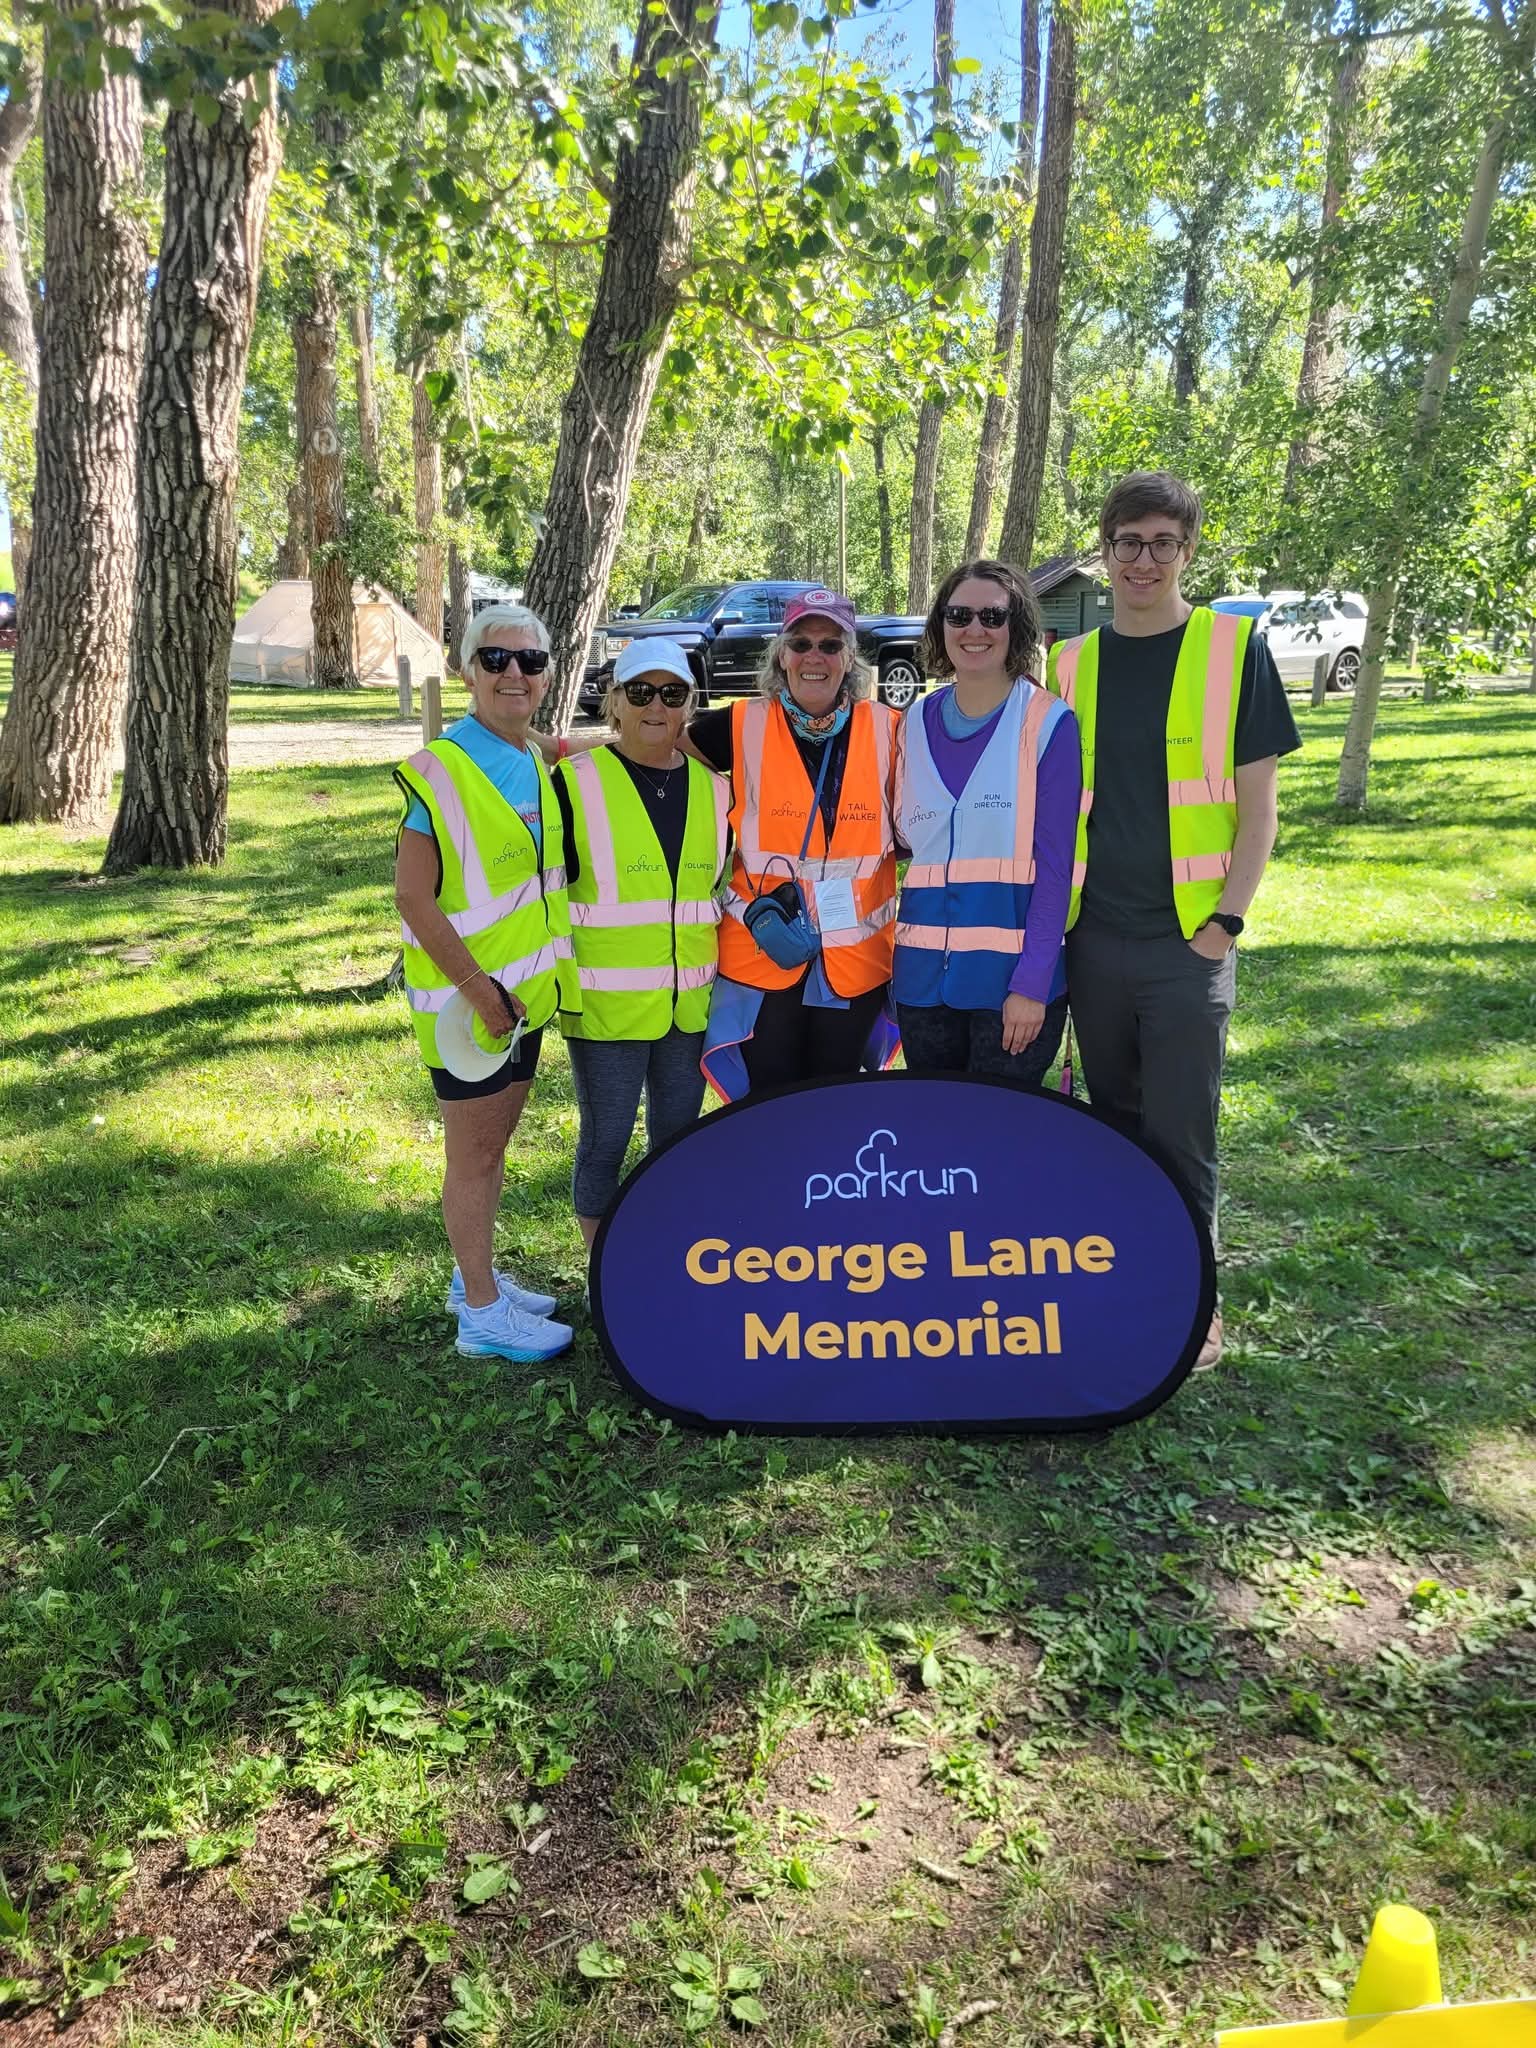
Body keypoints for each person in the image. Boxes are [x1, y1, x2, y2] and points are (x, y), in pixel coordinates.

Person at [1045, 471, 1301, 1371]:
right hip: (1096, 936)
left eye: (1162, 542)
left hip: (1188, 942)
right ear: (1106, 553)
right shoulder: (1071, 664)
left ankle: (1196, 1305)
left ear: (1187, 550)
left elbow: (1260, 809)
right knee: (1113, 1120)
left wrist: (1225, 922)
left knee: (1182, 1129)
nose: (1143, 559)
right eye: (1127, 543)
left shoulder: (1236, 650)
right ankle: (1130, 1283)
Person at [394, 602, 579, 1363]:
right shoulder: (442, 768)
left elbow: (576, 747)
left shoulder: (528, 752)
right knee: (472, 1157)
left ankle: (478, 1277)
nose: (513, 673)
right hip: (470, 1008)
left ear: (545, 675)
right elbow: (412, 895)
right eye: (496, 660)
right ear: (467, 669)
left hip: (519, 1001)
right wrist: (477, 990)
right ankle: (479, 1312)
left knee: (492, 1148)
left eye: (529, 662)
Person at [685, 588, 900, 1098]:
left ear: (849, 657)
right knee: (770, 1111)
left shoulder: (891, 730)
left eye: (830, 645)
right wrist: (559, 747)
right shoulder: (741, 724)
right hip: (765, 952)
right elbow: (651, 750)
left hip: (853, 958)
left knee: (838, 1106)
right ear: (781, 654)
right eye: (801, 643)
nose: (814, 657)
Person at [552, 638, 730, 1248]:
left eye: (673, 693)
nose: (657, 706)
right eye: (641, 691)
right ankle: (601, 1270)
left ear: (689, 706)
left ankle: (668, 1254)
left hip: (690, 1006)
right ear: (615, 702)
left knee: (679, 1135)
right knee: (605, 1138)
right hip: (607, 1008)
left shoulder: (717, 790)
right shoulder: (572, 783)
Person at [893, 559, 1081, 1085]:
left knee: (1001, 1147)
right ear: (941, 626)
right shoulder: (912, 722)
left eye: (992, 617)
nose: (974, 630)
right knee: (935, 1141)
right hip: (922, 982)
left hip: (1010, 986)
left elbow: (1055, 869)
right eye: (959, 615)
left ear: (1015, 627)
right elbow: (904, 840)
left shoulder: (1048, 723)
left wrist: (1033, 984)